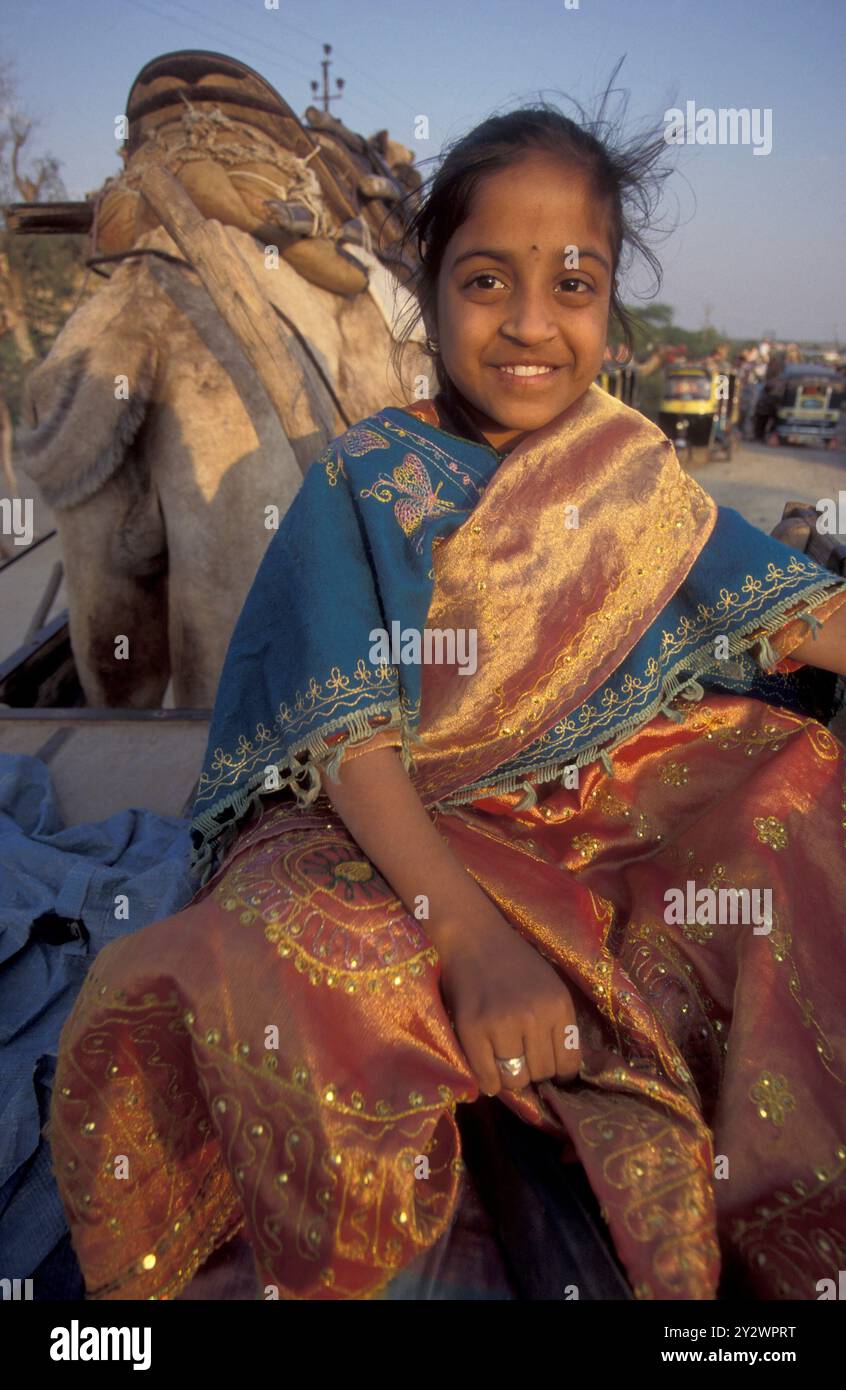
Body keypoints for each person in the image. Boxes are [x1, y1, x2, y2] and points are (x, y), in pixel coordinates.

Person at [47, 97, 846, 1304]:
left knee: (798, 806)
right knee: (277, 947)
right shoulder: (369, 476)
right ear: (430, 292)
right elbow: (347, 731)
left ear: (609, 299)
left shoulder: (635, 468)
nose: (532, 324)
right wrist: (467, 934)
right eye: (487, 282)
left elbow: (796, 613)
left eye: (573, 285)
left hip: (600, 826)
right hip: (396, 828)